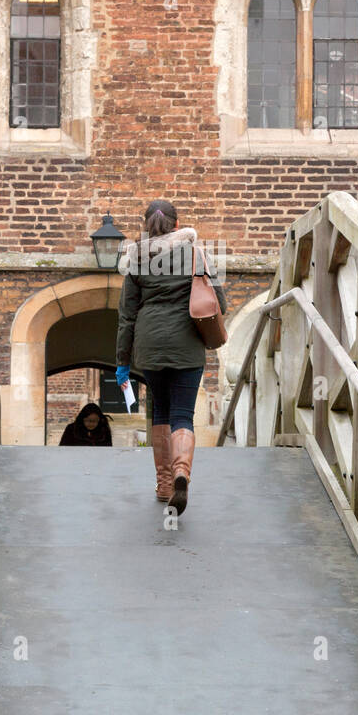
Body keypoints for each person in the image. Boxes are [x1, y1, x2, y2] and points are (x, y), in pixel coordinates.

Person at [115, 198, 226, 514]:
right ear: (177, 224)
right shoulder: (196, 254)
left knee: (160, 410)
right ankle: (182, 473)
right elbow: (220, 303)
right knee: (182, 413)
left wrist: (122, 361)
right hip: (187, 345)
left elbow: (127, 316)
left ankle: (165, 485)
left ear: (147, 225)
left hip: (149, 345)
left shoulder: (137, 259)